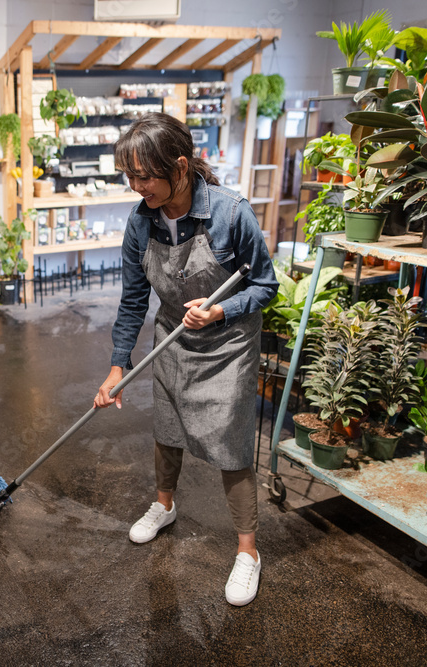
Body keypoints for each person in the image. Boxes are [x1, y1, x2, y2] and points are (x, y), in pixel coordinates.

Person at [94, 112, 278, 606]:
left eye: (144, 176)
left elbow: (265, 286)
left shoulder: (231, 212)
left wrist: (221, 309)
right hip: (174, 337)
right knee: (167, 429)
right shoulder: (141, 221)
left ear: (179, 166)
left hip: (228, 344)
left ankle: (247, 553)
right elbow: (134, 299)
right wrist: (117, 365)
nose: (137, 187)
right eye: (129, 176)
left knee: (231, 444)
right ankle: (164, 506)